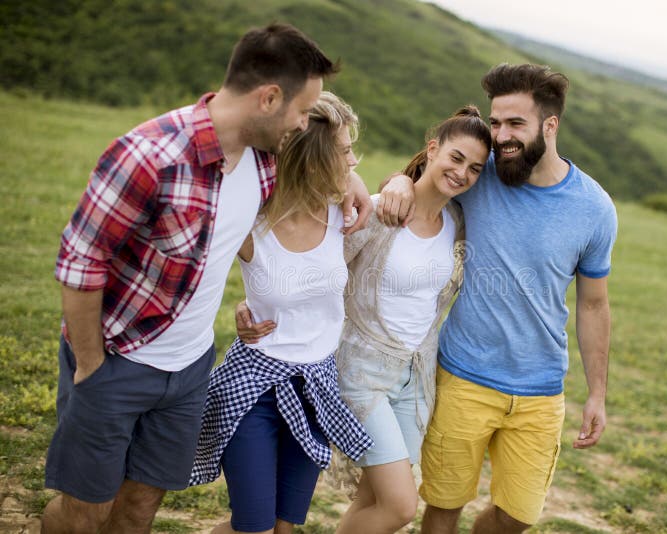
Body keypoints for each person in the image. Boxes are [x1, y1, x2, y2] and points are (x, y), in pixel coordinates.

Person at [43, 24, 371, 533]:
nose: (304, 124)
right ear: (268, 98)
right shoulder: (149, 155)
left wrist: (353, 179)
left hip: (191, 370)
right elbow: (80, 262)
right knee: (86, 512)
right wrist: (89, 363)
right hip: (118, 360)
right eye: (302, 111)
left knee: (139, 510)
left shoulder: (264, 163)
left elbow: (320, 163)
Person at [378, 63, 618, 533]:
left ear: (550, 126)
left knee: (516, 518)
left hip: (541, 390)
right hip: (463, 376)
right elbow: (423, 175)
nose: (501, 136)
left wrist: (598, 394)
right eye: (496, 122)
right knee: (443, 507)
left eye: (515, 124)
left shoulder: (595, 209)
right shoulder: (478, 173)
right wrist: (399, 182)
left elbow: (594, 305)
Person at [236, 106, 491, 533]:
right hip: (362, 372)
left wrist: (399, 179)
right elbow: (314, 270)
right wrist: (256, 305)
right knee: (399, 507)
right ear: (432, 149)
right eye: (456, 158)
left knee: (372, 499)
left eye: (476, 168)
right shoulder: (377, 215)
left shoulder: (458, 222)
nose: (463, 173)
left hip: (417, 377)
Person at [190, 91, 373, 534]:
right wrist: (243, 306)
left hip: (316, 386)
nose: (354, 163)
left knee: (284, 528)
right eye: (345, 152)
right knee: (252, 528)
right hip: (254, 387)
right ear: (312, 159)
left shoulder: (342, 215)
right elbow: (202, 277)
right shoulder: (249, 219)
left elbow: (420, 197)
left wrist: (382, 184)